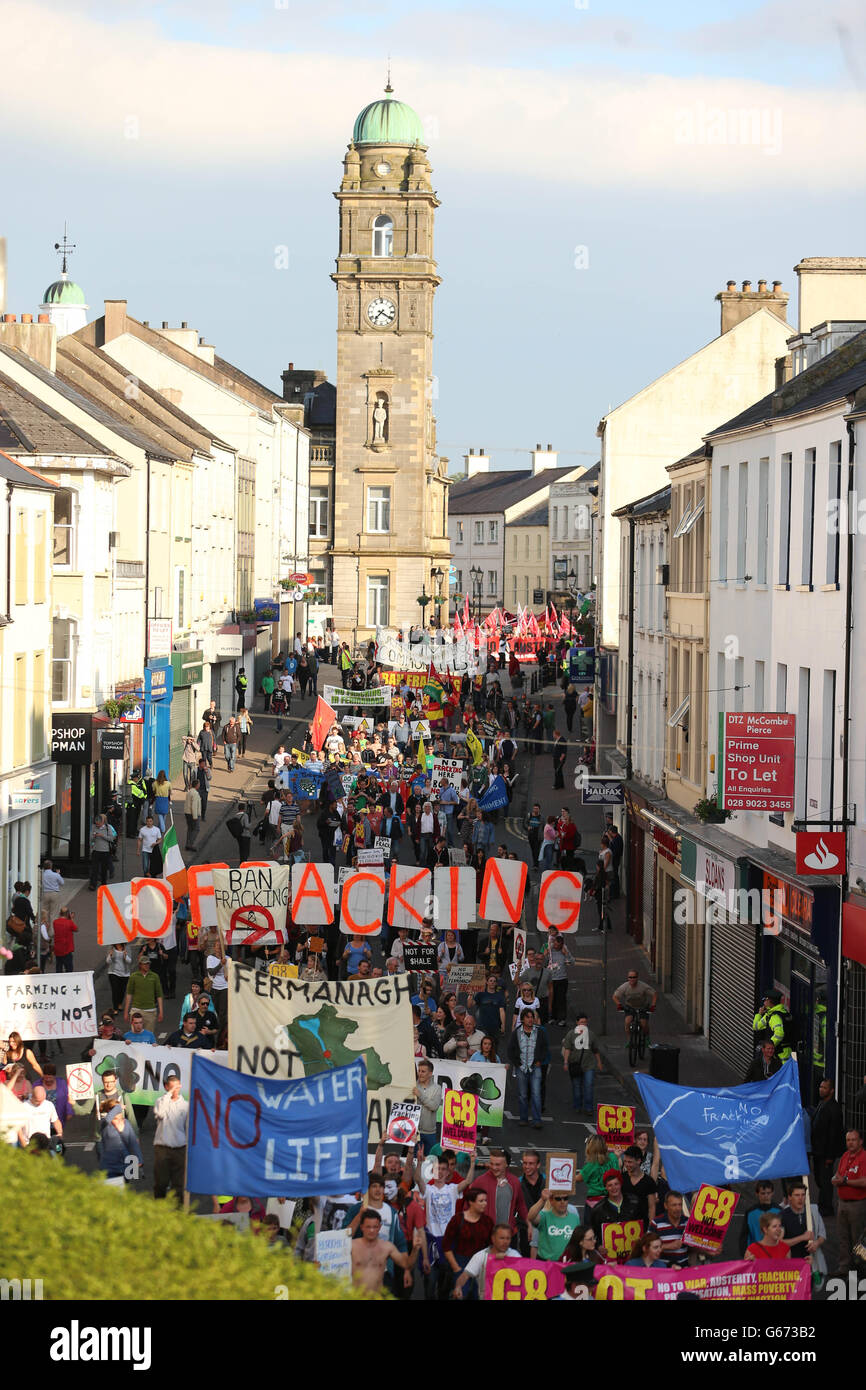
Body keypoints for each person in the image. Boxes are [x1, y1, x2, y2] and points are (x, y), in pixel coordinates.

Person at [417, 1152, 477, 1299]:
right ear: (433, 1171)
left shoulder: (452, 1189)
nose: (441, 1172)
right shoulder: (428, 1189)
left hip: (449, 1243)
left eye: (444, 1169)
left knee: (446, 1285)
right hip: (431, 1242)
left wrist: (473, 1161)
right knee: (430, 1285)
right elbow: (417, 1179)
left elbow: (468, 1181)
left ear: (448, 1171)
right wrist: (418, 1162)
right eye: (438, 1169)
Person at [441, 1187, 493, 1299]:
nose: (485, 1204)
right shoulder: (457, 1219)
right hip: (461, 1263)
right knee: (460, 1295)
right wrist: (456, 1268)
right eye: (481, 1201)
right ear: (471, 1202)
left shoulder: (488, 1222)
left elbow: (491, 1246)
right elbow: (446, 1246)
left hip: (481, 1265)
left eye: (486, 1201)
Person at [351, 1209, 419, 1294]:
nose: (371, 1230)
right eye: (368, 1227)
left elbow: (406, 1264)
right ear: (362, 1227)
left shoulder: (387, 1247)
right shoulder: (352, 1246)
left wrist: (415, 1249)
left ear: (379, 1227)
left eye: (375, 1227)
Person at [452, 1223, 521, 1300]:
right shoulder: (481, 1256)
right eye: (502, 1238)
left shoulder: (515, 1255)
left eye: (508, 1238)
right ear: (493, 1239)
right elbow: (464, 1276)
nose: (505, 1241)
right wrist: (458, 1287)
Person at [507, 1008, 549, 1130]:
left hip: (535, 1067)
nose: (530, 1019)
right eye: (528, 1017)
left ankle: (537, 1120)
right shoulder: (517, 1032)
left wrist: (539, 1060)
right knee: (523, 1095)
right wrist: (517, 1063)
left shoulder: (539, 1032)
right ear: (522, 1019)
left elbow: (545, 1047)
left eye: (532, 1017)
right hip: (521, 1068)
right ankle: (523, 1118)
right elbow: (510, 1050)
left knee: (536, 1094)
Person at [831, 1128, 866, 1273]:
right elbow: (838, 1175)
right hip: (842, 1202)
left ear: (860, 1141)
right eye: (848, 1140)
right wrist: (835, 1179)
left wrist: (844, 1181)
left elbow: (864, 1182)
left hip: (857, 1204)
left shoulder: (864, 1157)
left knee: (858, 1239)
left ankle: (860, 1268)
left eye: (853, 1140)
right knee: (843, 1237)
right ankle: (844, 1267)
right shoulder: (845, 1155)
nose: (850, 1143)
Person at [811, 1076, 847, 1216]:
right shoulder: (821, 1103)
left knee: (825, 1180)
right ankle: (823, 1203)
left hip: (826, 1152)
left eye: (824, 1088)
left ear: (831, 1091)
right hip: (818, 1150)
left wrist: (830, 1156)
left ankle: (826, 1207)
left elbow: (834, 1134)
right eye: (820, 1087)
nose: (821, 1090)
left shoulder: (834, 1108)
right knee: (819, 1178)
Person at [153, 1074, 189, 1203]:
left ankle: (178, 1212)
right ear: (166, 1087)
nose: (176, 1090)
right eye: (172, 1087)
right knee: (161, 1183)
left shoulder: (185, 1105)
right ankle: (158, 1209)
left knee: (179, 1185)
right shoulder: (160, 1101)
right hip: (162, 1148)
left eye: (177, 1087)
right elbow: (161, 1113)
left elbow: (188, 1127)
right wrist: (168, 1095)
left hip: (180, 1148)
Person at [780, 1180, 827, 1271]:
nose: (800, 1198)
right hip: (791, 1264)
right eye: (797, 1195)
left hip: (811, 1262)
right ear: (789, 1197)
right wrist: (802, 1237)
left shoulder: (813, 1211)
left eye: (803, 1195)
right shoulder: (783, 1215)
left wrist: (816, 1243)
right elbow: (779, 1242)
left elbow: (822, 1235)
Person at [561, 1013, 602, 1114]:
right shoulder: (571, 1034)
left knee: (588, 1086)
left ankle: (588, 1108)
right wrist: (566, 1062)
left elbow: (595, 1050)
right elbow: (567, 1049)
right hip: (575, 1065)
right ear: (577, 1022)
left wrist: (599, 1062)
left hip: (589, 1065)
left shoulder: (591, 1034)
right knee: (577, 1086)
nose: (583, 1024)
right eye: (581, 1022)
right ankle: (577, 1105)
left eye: (585, 1022)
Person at [527, 1190, 582, 1260]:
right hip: (547, 1264)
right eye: (558, 1199)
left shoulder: (575, 1218)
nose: (562, 1202)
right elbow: (531, 1217)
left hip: (568, 1264)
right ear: (551, 1201)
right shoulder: (544, 1216)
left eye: (565, 1198)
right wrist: (542, 1200)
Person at [99, 1106, 144, 1184]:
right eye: (116, 1118)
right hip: (110, 1163)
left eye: (121, 1117)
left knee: (125, 1184)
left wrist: (139, 1160)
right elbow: (108, 1118)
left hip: (125, 1162)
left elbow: (133, 1142)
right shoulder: (105, 1124)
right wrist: (118, 1107)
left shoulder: (126, 1123)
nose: (119, 1120)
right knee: (114, 1187)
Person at [649, 1190, 690, 1268]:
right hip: (663, 1270)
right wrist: (668, 1246)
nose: (678, 1208)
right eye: (674, 1205)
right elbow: (647, 1247)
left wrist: (709, 1250)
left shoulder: (687, 1222)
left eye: (680, 1205)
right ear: (666, 1206)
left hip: (684, 1270)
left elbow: (694, 1247)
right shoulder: (656, 1223)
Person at [123, 955, 164, 1034]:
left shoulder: (155, 976)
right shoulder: (133, 977)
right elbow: (129, 994)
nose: (147, 965)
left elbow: (159, 995)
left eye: (148, 964)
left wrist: (161, 1012)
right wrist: (126, 1012)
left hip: (150, 1011)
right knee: (135, 1036)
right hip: (136, 1010)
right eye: (145, 964)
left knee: (148, 1037)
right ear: (140, 965)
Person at [739, 1180, 781, 1254]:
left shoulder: (780, 1211)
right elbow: (745, 1236)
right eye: (763, 1193)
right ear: (757, 1194)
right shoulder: (750, 1213)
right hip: (755, 1254)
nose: (766, 1196)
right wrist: (745, 1253)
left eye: (768, 1193)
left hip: (776, 1253)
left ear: (772, 1193)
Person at [612, 971, 657, 1038]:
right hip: (630, 1007)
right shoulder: (624, 986)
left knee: (644, 1024)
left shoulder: (643, 986)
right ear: (628, 978)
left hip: (643, 1006)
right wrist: (619, 1005)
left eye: (634, 977)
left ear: (637, 978)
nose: (632, 979)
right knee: (627, 1022)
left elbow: (654, 994)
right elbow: (614, 996)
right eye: (630, 977)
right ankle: (629, 1040)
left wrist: (653, 1005)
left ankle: (647, 1038)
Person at [619, 1144, 658, 1223]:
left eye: (630, 1162)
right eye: (625, 1161)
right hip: (624, 1225)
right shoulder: (621, 1178)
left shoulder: (649, 1182)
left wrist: (650, 1229)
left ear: (638, 1161)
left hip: (642, 1225)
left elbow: (652, 1207)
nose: (627, 1165)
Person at [752, 989, 793, 1062]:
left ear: (769, 1001)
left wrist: (769, 1047)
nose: (764, 1002)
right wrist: (760, 1014)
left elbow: (779, 1034)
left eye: (765, 1000)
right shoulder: (782, 1012)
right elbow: (756, 1026)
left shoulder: (774, 1017)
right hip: (785, 1052)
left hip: (779, 1055)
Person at [18, 1083, 62, 1148]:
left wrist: (59, 1133)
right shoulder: (23, 1107)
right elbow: (18, 1127)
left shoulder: (49, 1105)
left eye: (42, 1101)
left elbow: (55, 1120)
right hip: (29, 1143)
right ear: (32, 1096)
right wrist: (23, 1142)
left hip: (46, 1142)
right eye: (37, 1101)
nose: (40, 1103)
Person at [414, 1059, 443, 1155]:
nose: (420, 1074)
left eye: (423, 1071)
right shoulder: (413, 1086)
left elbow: (434, 1106)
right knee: (414, 1161)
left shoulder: (437, 1088)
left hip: (430, 1133)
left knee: (430, 1162)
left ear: (430, 1074)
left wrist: (420, 1095)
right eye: (419, 1071)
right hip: (415, 1132)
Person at [89, 815, 115, 890]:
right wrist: (93, 836)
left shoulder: (108, 827)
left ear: (102, 822)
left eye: (98, 824)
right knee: (94, 869)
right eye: (96, 823)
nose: (97, 825)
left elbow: (111, 838)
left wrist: (102, 835)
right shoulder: (94, 827)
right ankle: (93, 885)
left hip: (105, 851)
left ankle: (104, 884)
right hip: (96, 850)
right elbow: (91, 839)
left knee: (104, 869)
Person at [106, 943, 133, 1013]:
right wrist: (110, 955)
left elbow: (129, 961)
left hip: (125, 973)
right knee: (115, 990)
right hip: (113, 972)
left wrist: (125, 956)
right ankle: (115, 1008)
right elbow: (108, 961)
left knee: (122, 990)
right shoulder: (111, 947)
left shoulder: (127, 947)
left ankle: (120, 1003)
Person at [51, 906, 77, 973]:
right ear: (68, 914)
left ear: (60, 913)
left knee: (59, 968)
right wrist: (71, 919)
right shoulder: (69, 922)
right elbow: (76, 929)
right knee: (69, 969)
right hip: (67, 949)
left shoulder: (55, 922)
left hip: (58, 949)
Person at [40, 859, 64, 929]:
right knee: (53, 914)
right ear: (51, 866)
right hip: (54, 893)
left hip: (45, 893)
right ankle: (52, 932)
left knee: (44, 913)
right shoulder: (55, 875)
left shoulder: (42, 875)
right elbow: (62, 883)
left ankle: (44, 931)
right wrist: (58, 874)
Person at [184, 781, 202, 851]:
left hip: (187, 813)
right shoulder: (195, 793)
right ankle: (190, 844)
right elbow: (194, 806)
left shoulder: (189, 792)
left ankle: (187, 844)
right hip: (193, 814)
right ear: (197, 785)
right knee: (196, 829)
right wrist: (195, 816)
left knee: (190, 829)